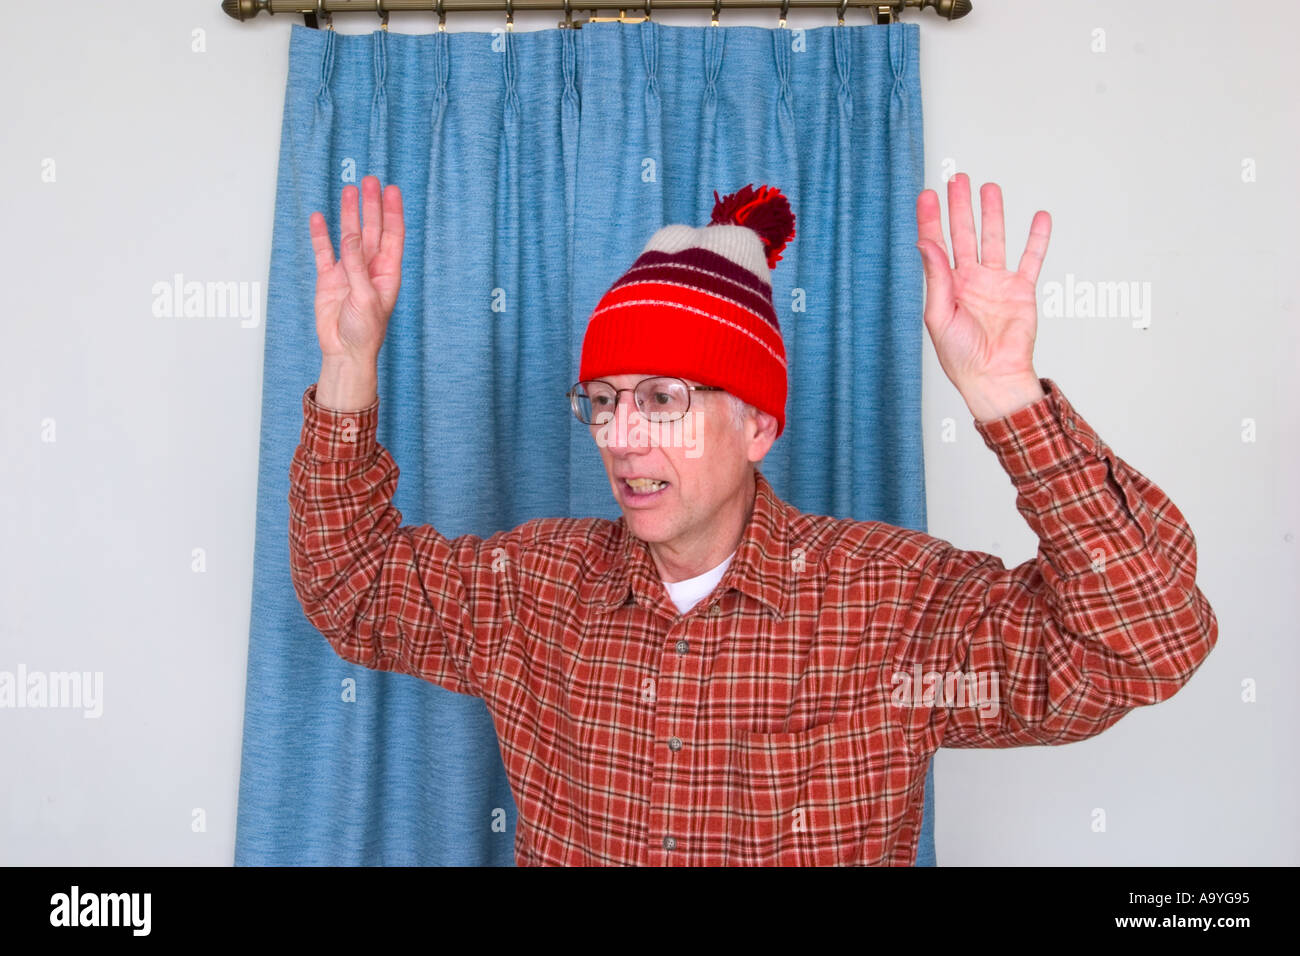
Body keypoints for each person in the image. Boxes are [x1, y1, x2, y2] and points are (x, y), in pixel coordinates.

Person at [289, 174, 1218, 866]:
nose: (621, 435)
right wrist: (350, 364)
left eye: (662, 398)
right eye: (603, 401)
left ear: (759, 424)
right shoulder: (533, 592)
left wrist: (1008, 398)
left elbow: (1145, 643)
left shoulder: (897, 608)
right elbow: (352, 585)